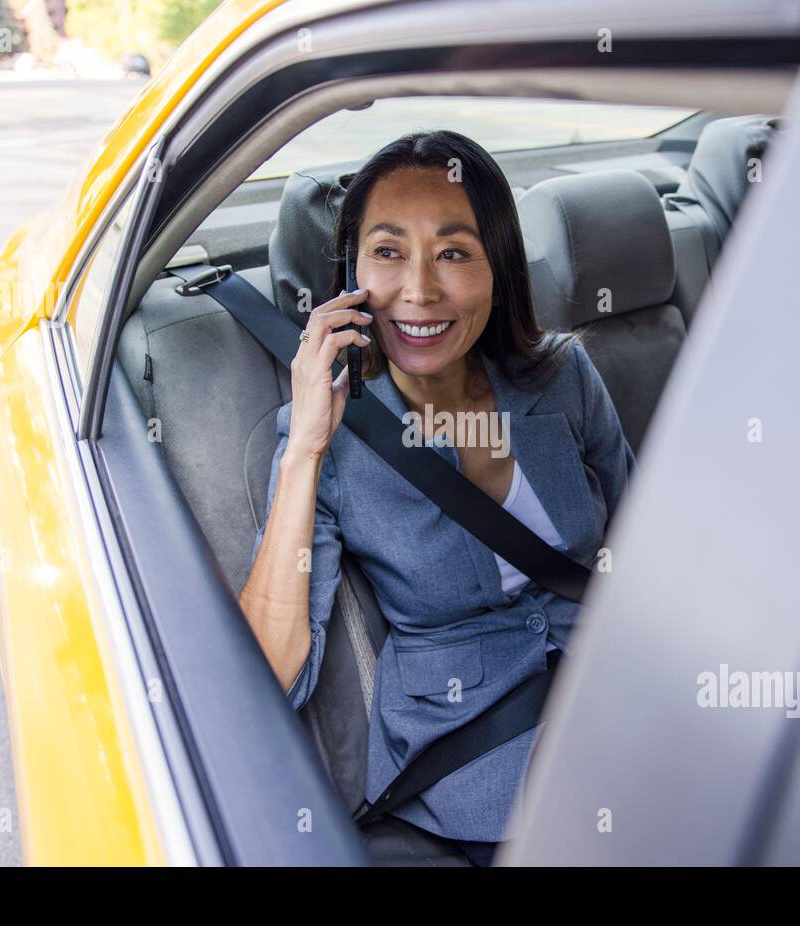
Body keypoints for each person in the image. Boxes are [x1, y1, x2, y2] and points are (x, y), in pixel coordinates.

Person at [240, 129, 634, 866]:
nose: (418, 291)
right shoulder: (326, 435)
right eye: (387, 252)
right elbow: (269, 673)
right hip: (479, 775)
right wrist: (304, 453)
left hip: (627, 714)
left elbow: (649, 544)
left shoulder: (564, 378)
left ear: (498, 268)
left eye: (454, 251)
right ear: (351, 273)